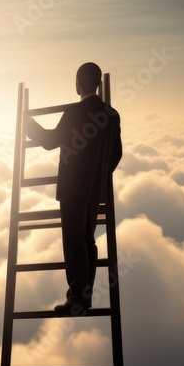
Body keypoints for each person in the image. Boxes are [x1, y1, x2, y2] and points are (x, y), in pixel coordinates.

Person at [25, 62, 122, 316]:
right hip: (94, 190)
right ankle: (85, 296)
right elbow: (116, 154)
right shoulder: (113, 115)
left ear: (78, 84)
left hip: (72, 189)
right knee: (88, 241)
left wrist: (28, 125)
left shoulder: (74, 113)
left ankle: (77, 297)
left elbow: (48, 142)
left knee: (73, 240)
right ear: (99, 85)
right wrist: (99, 176)